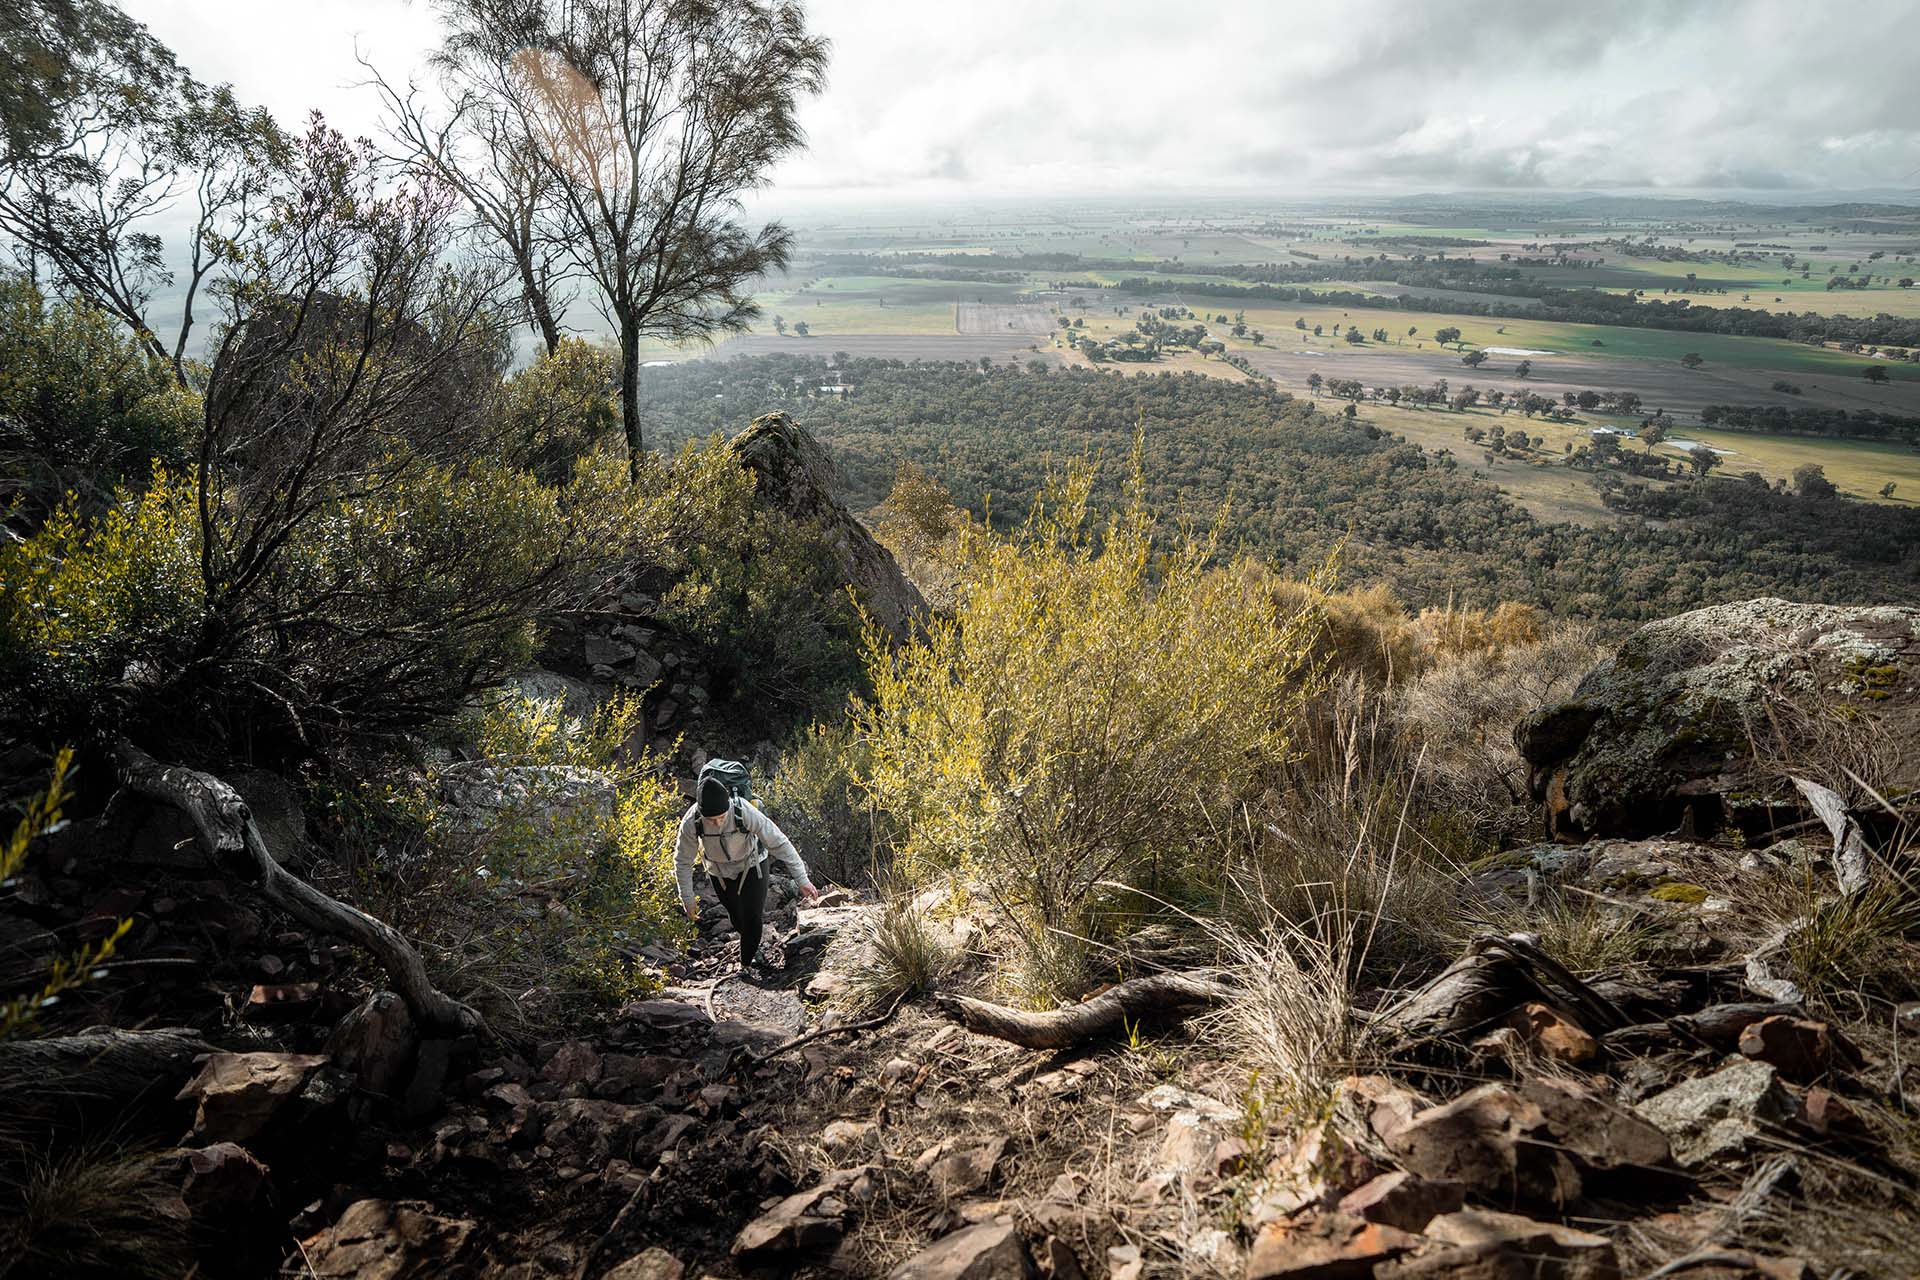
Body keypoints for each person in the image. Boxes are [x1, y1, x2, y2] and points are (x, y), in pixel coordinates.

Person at [674, 774, 820, 974]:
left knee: (752, 918)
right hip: (719, 872)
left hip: (752, 866)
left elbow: (779, 842)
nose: (717, 823)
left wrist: (802, 879)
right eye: (712, 819)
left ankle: (746, 965)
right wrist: (687, 898)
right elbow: (683, 861)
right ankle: (753, 948)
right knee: (737, 918)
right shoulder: (692, 821)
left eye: (721, 817)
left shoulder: (743, 810)